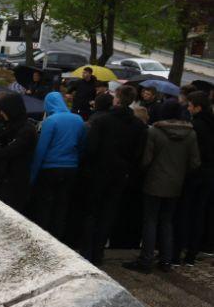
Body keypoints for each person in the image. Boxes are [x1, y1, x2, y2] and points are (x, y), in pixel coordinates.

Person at [124, 100, 200, 273]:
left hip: (154, 180)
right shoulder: (190, 133)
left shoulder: (155, 132)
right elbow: (195, 162)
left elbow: (146, 159)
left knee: (150, 220)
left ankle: (146, 259)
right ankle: (166, 259)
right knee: (167, 221)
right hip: (176, 183)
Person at [78, 87, 147, 264]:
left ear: (116, 99)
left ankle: (87, 252)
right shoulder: (138, 125)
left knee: (91, 213)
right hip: (120, 175)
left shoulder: (102, 121)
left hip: (98, 173)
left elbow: (91, 148)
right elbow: (138, 154)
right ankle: (98, 253)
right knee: (108, 214)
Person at [28, 91, 87, 242]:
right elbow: (82, 145)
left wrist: (33, 175)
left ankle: (43, 240)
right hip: (71, 168)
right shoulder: (78, 119)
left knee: (45, 206)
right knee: (62, 206)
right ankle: (59, 239)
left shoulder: (51, 121)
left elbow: (41, 149)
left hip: (50, 168)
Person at [175, 91, 214, 265]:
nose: (188, 108)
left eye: (190, 105)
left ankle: (178, 252)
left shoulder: (195, 126)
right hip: (209, 174)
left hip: (195, 174)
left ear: (198, 107)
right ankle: (192, 253)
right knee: (199, 213)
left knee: (185, 213)